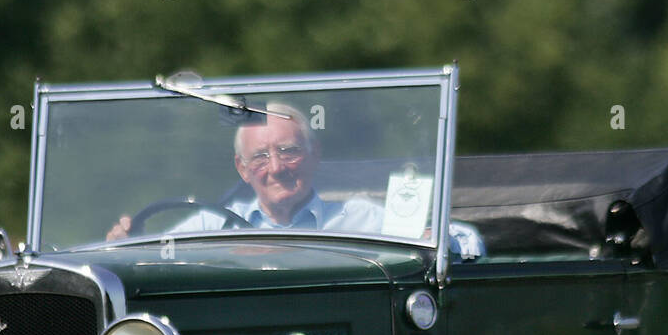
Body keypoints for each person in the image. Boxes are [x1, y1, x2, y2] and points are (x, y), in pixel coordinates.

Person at [105, 101, 484, 257]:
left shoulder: (359, 218)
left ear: (315, 154)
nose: (276, 167)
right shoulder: (213, 224)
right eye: (260, 157)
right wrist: (126, 245)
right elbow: (151, 258)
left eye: (289, 151)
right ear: (242, 168)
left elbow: (468, 241)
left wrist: (437, 240)